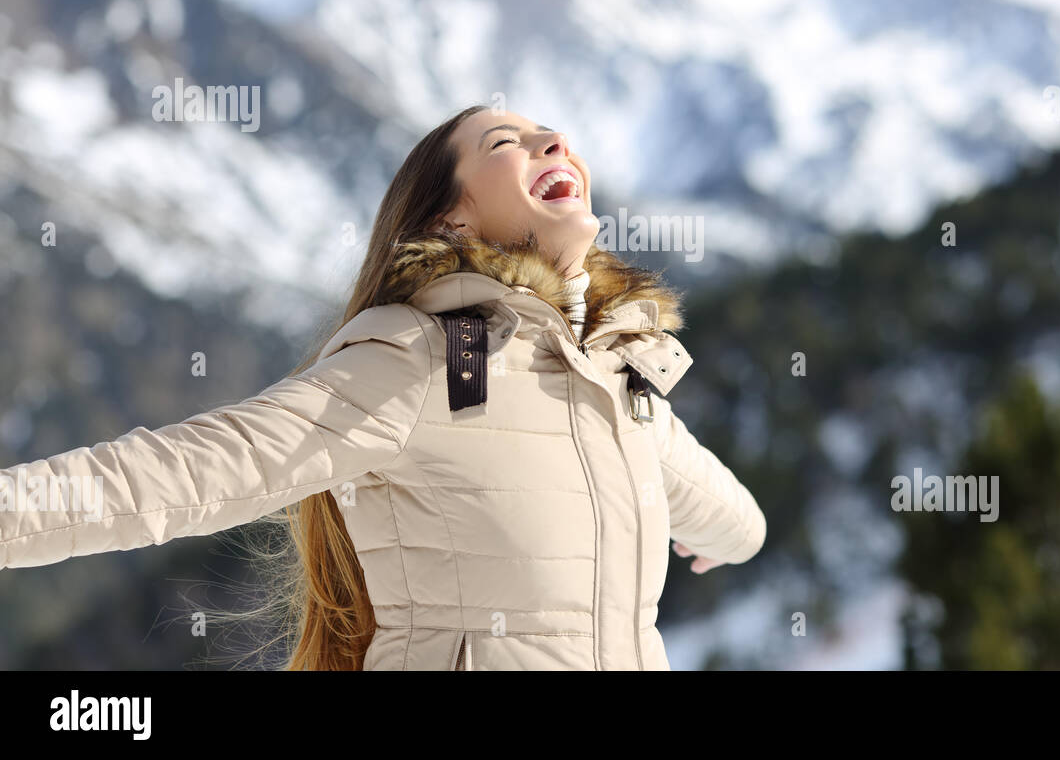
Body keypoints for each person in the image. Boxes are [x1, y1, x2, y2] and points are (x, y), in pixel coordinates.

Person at [0, 105, 766, 670]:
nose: (553, 141)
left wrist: (697, 529)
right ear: (453, 221)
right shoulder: (417, 360)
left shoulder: (618, 383)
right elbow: (183, 474)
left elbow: (737, 523)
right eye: (506, 143)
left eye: (551, 134)